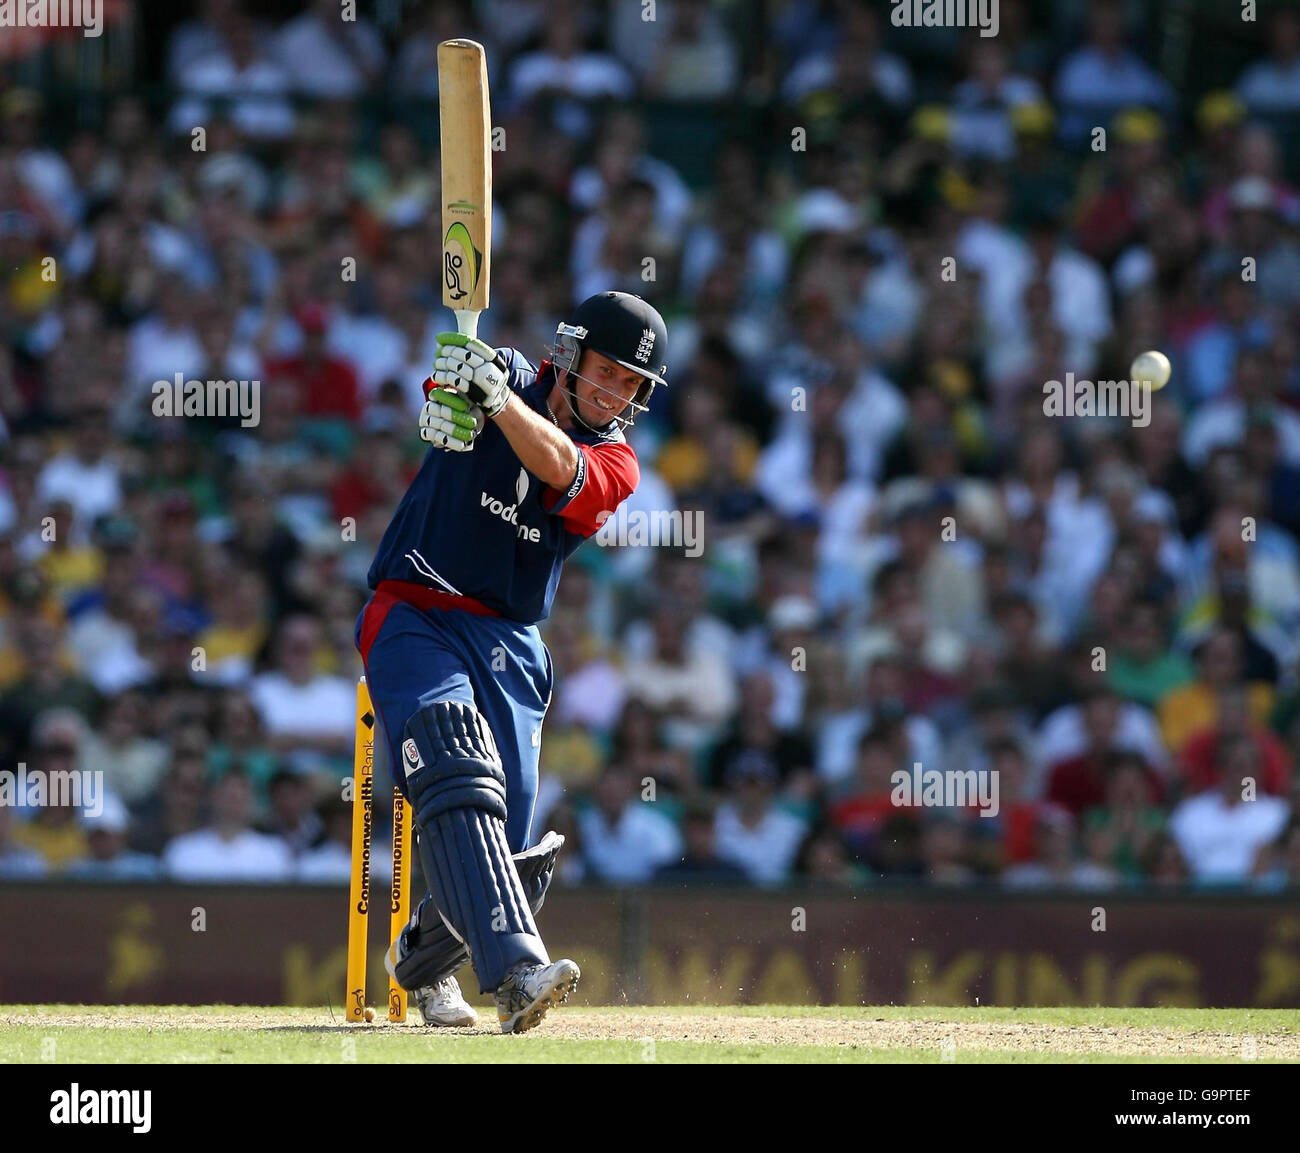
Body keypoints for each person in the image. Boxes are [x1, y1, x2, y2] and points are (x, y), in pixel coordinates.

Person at [359, 291, 668, 1033]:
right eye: (608, 372)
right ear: (570, 354)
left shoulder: (617, 464)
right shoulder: (508, 375)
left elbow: (560, 466)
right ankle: (518, 973)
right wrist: (451, 395)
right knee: (453, 754)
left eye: (632, 385)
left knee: (512, 845)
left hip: (511, 642)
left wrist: (491, 403)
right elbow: (447, 390)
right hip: (415, 606)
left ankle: (423, 962)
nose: (615, 394)